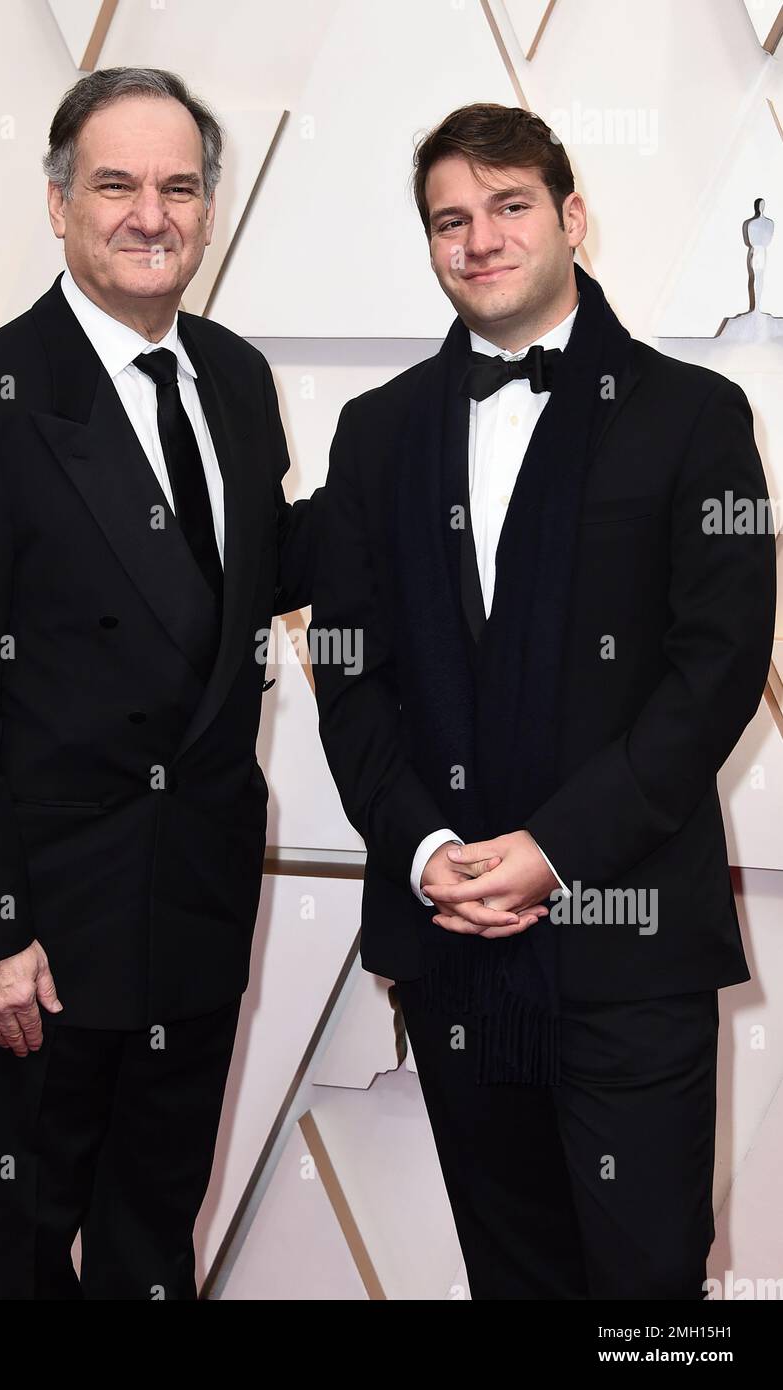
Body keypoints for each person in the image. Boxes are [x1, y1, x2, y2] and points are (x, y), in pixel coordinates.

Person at [310, 102, 776, 1299]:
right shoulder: (376, 435)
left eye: (509, 205)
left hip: (627, 939)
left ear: (571, 215)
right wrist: (419, 850)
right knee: (511, 1280)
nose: (479, 239)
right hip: (451, 944)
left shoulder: (695, 415)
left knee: (649, 1287)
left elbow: (714, 668)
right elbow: (351, 668)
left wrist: (558, 850)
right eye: (448, 220)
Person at [0, 66, 318, 1300]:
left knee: (152, 1249)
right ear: (58, 201)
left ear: (210, 210)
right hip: (41, 941)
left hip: (196, 909)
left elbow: (246, 580)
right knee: (19, 1261)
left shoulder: (232, 378)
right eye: (115, 183)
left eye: (178, 186)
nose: (149, 213)